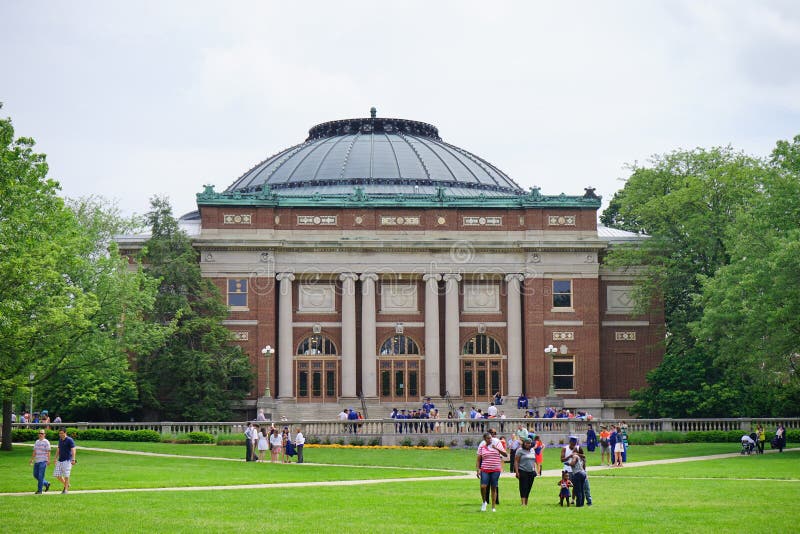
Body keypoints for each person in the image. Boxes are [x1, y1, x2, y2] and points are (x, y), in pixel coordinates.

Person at [476, 431, 507, 512]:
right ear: (485, 439)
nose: (490, 440)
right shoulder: (482, 447)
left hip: (495, 469)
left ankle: (493, 507)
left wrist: (496, 448)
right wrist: (478, 469)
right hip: (485, 469)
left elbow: (505, 455)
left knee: (494, 487)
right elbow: (478, 459)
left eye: (491, 438)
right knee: (483, 486)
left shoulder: (496, 444)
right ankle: (484, 502)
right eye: (488, 438)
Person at [514, 438, 537, 505]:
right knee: (523, 487)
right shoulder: (520, 450)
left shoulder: (532, 450)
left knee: (529, 487)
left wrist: (535, 469)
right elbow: (516, 461)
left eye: (529, 443)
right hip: (523, 470)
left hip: (531, 471)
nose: (528, 444)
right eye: (526, 443)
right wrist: (517, 472)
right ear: (524, 443)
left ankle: (526, 502)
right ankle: (523, 503)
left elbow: (534, 461)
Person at [54, 428, 76, 494]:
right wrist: (55, 458)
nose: (60, 434)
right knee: (57, 475)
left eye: (62, 433)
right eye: (59, 433)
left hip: (67, 460)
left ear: (65, 433)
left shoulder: (69, 440)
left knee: (66, 475)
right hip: (60, 460)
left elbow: (73, 450)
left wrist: (73, 459)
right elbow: (58, 449)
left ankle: (66, 490)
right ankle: (67, 485)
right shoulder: (60, 440)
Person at [29, 429, 51, 494]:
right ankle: (46, 483)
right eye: (39, 433)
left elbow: (48, 451)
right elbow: (34, 451)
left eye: (42, 433)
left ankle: (39, 490)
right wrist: (32, 459)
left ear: (44, 434)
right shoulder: (37, 442)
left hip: (43, 461)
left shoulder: (46, 442)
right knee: (35, 475)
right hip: (37, 461)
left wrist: (48, 460)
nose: (40, 434)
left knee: (41, 475)